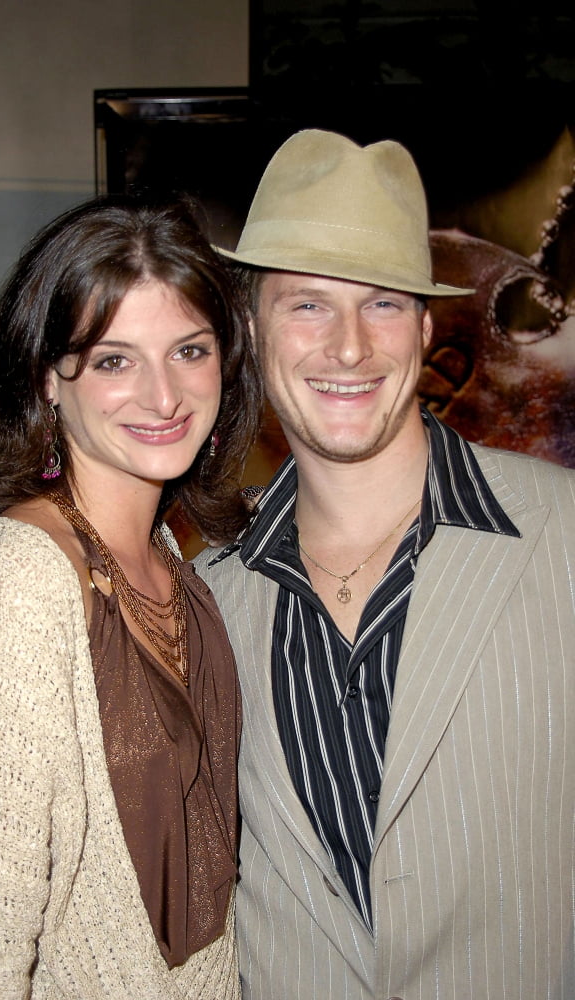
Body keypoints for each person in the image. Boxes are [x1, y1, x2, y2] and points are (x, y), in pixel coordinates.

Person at [195, 129, 575, 999]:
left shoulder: (562, 538)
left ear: (429, 326)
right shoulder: (207, 593)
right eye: (307, 305)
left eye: (383, 303)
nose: (350, 348)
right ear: (251, 334)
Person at [0, 192, 261, 998]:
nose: (163, 395)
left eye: (189, 351)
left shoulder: (174, 559)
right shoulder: (17, 582)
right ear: (48, 379)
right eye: (113, 359)